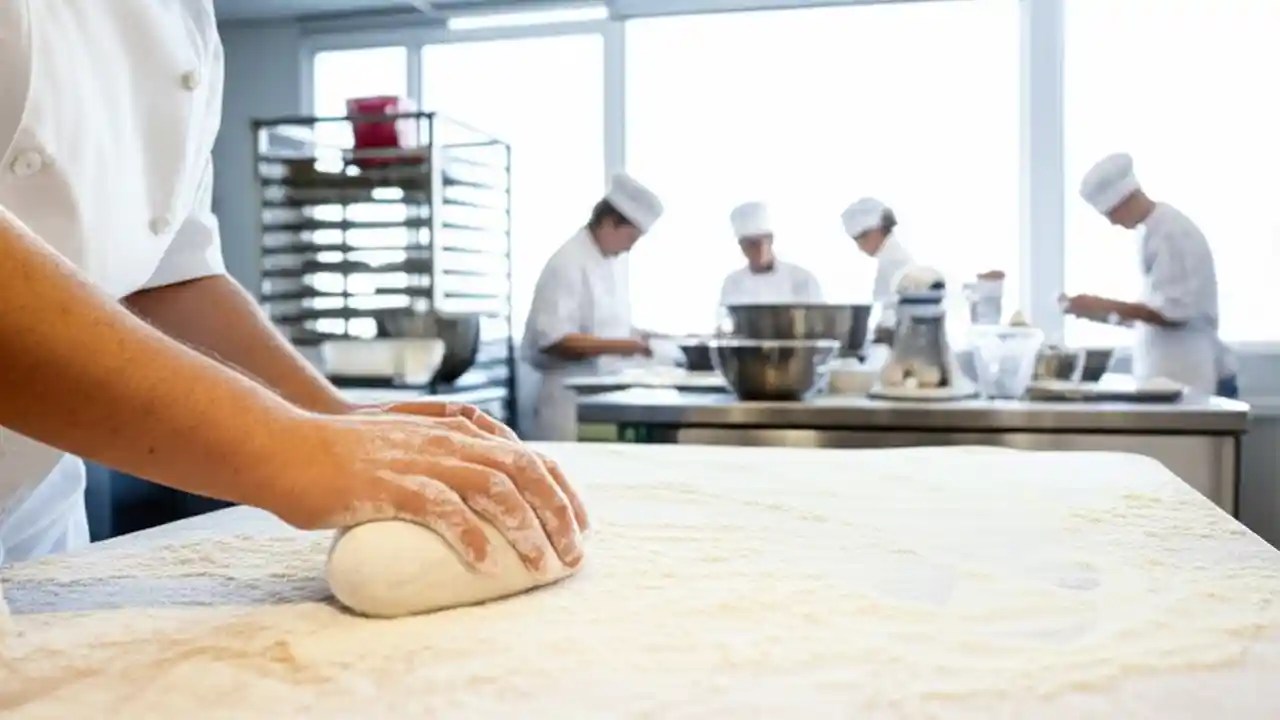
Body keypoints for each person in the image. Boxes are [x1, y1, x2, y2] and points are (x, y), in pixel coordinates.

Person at [0, 2, 588, 573]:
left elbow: (166, 273)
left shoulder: (186, 21)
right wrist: (282, 447)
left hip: (33, 517)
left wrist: (331, 418)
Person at [1065, 152, 1237, 397]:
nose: (1113, 223)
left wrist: (1103, 304)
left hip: (1193, 377)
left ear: (1124, 201)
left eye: (1111, 214)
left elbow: (1174, 312)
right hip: (1173, 378)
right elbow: (1151, 313)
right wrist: (1098, 312)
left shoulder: (1173, 233)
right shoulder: (1153, 232)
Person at [521, 173, 664, 441]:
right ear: (610, 222)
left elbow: (607, 324)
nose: (630, 248)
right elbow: (556, 340)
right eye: (631, 238)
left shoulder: (608, 262)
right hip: (566, 404)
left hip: (600, 397)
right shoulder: (568, 262)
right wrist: (629, 346)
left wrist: (644, 336)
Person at [718, 201, 823, 307]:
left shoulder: (802, 279)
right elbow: (725, 319)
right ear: (741, 246)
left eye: (759, 242)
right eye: (749, 244)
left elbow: (818, 320)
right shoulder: (733, 284)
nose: (755, 249)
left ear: (770, 240)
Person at [841, 197, 914, 344]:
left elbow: (893, 312)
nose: (860, 248)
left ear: (874, 231)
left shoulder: (895, 260)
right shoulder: (891, 256)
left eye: (859, 240)